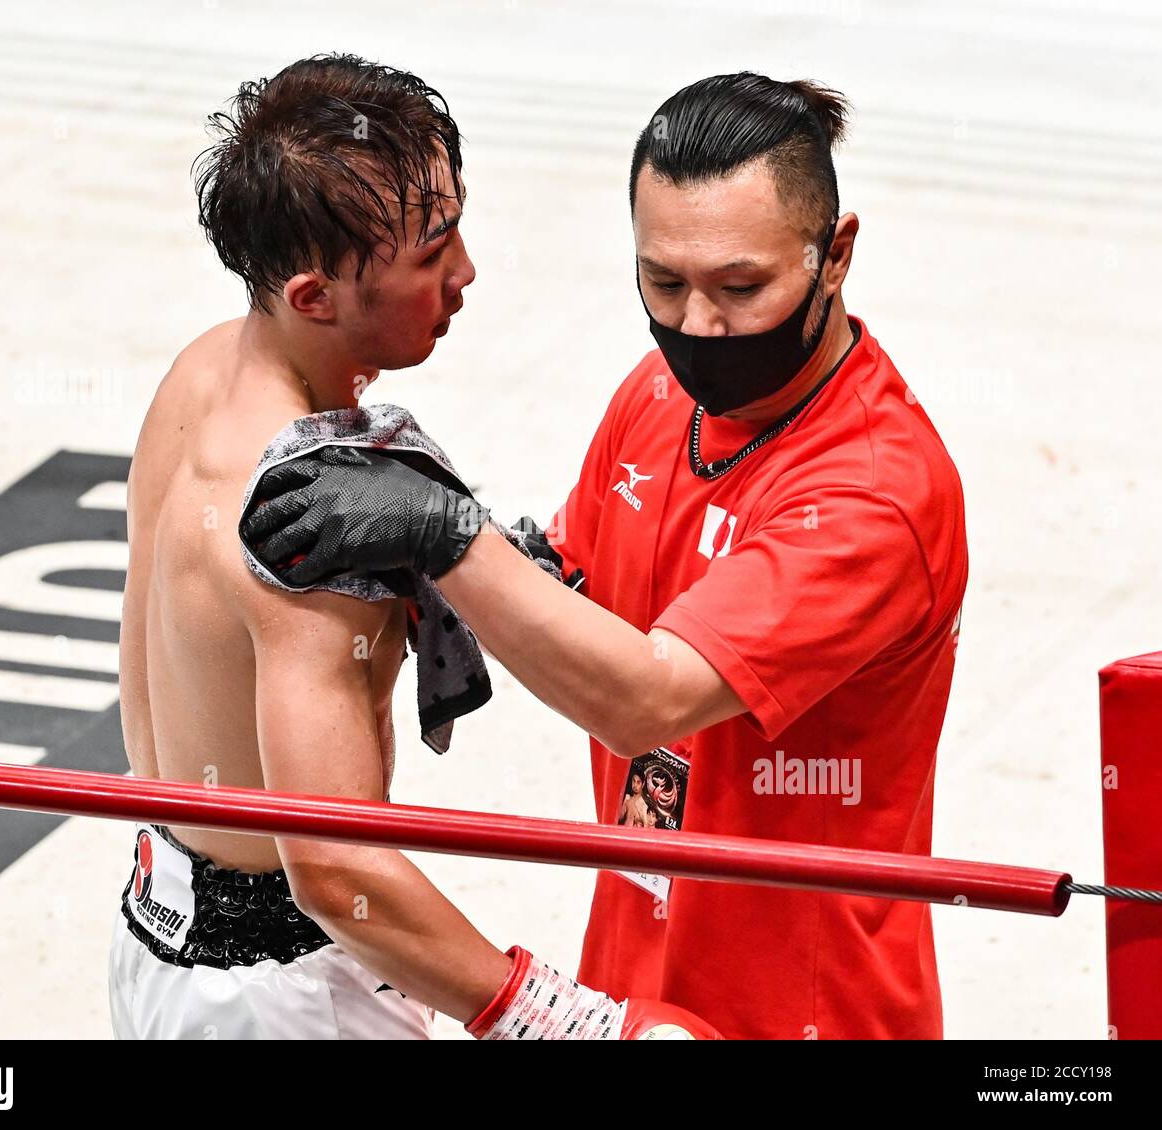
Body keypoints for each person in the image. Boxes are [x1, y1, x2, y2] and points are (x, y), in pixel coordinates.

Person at [242, 72, 969, 1039]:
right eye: (663, 282)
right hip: (636, 982)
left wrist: (442, 532)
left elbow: (647, 699)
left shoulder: (874, 492)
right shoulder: (661, 397)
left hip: (799, 1010)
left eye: (742, 288)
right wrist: (456, 570)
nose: (699, 326)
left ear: (833, 256)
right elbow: (571, 584)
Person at [112, 53, 717, 1041]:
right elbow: (337, 868)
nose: (466, 272)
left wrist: (481, 554)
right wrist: (566, 1022)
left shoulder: (204, 369)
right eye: (431, 250)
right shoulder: (311, 520)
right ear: (313, 296)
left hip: (158, 933)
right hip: (288, 998)